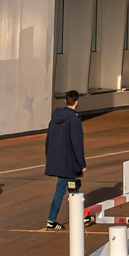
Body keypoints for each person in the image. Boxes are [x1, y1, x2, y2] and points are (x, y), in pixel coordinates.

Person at [44, 91, 86, 230]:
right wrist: (82, 163)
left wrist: (49, 158)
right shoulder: (74, 120)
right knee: (61, 190)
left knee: (73, 188)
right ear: (76, 102)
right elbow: (77, 144)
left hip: (57, 159)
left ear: (65, 101)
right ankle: (51, 220)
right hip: (68, 162)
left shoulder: (54, 118)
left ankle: (80, 214)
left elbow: (48, 140)